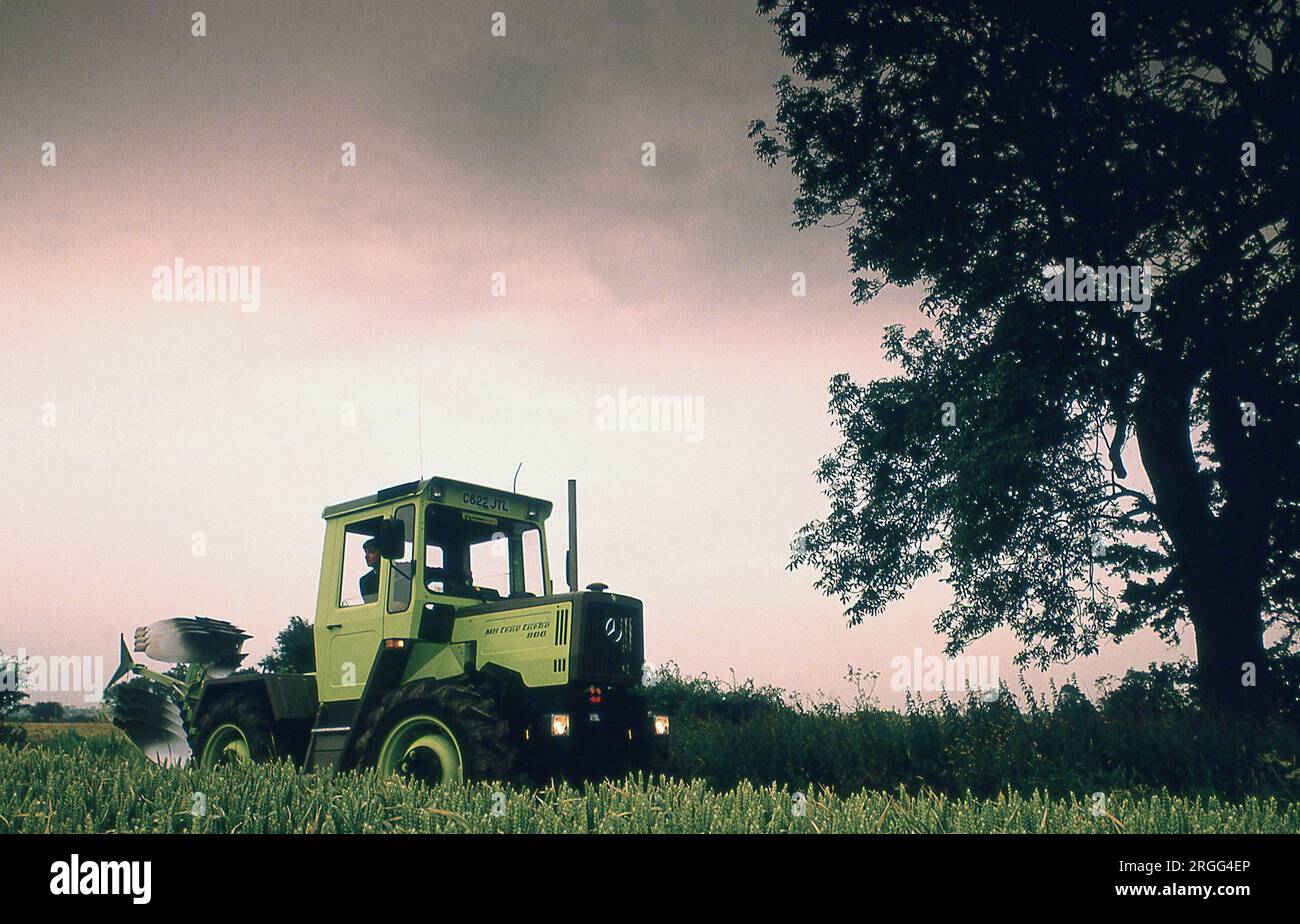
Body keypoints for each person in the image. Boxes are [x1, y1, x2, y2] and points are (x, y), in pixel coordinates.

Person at [359, 538, 380, 603]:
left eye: (371, 551)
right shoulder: (365, 581)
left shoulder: (401, 571)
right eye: (366, 552)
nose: (366, 556)